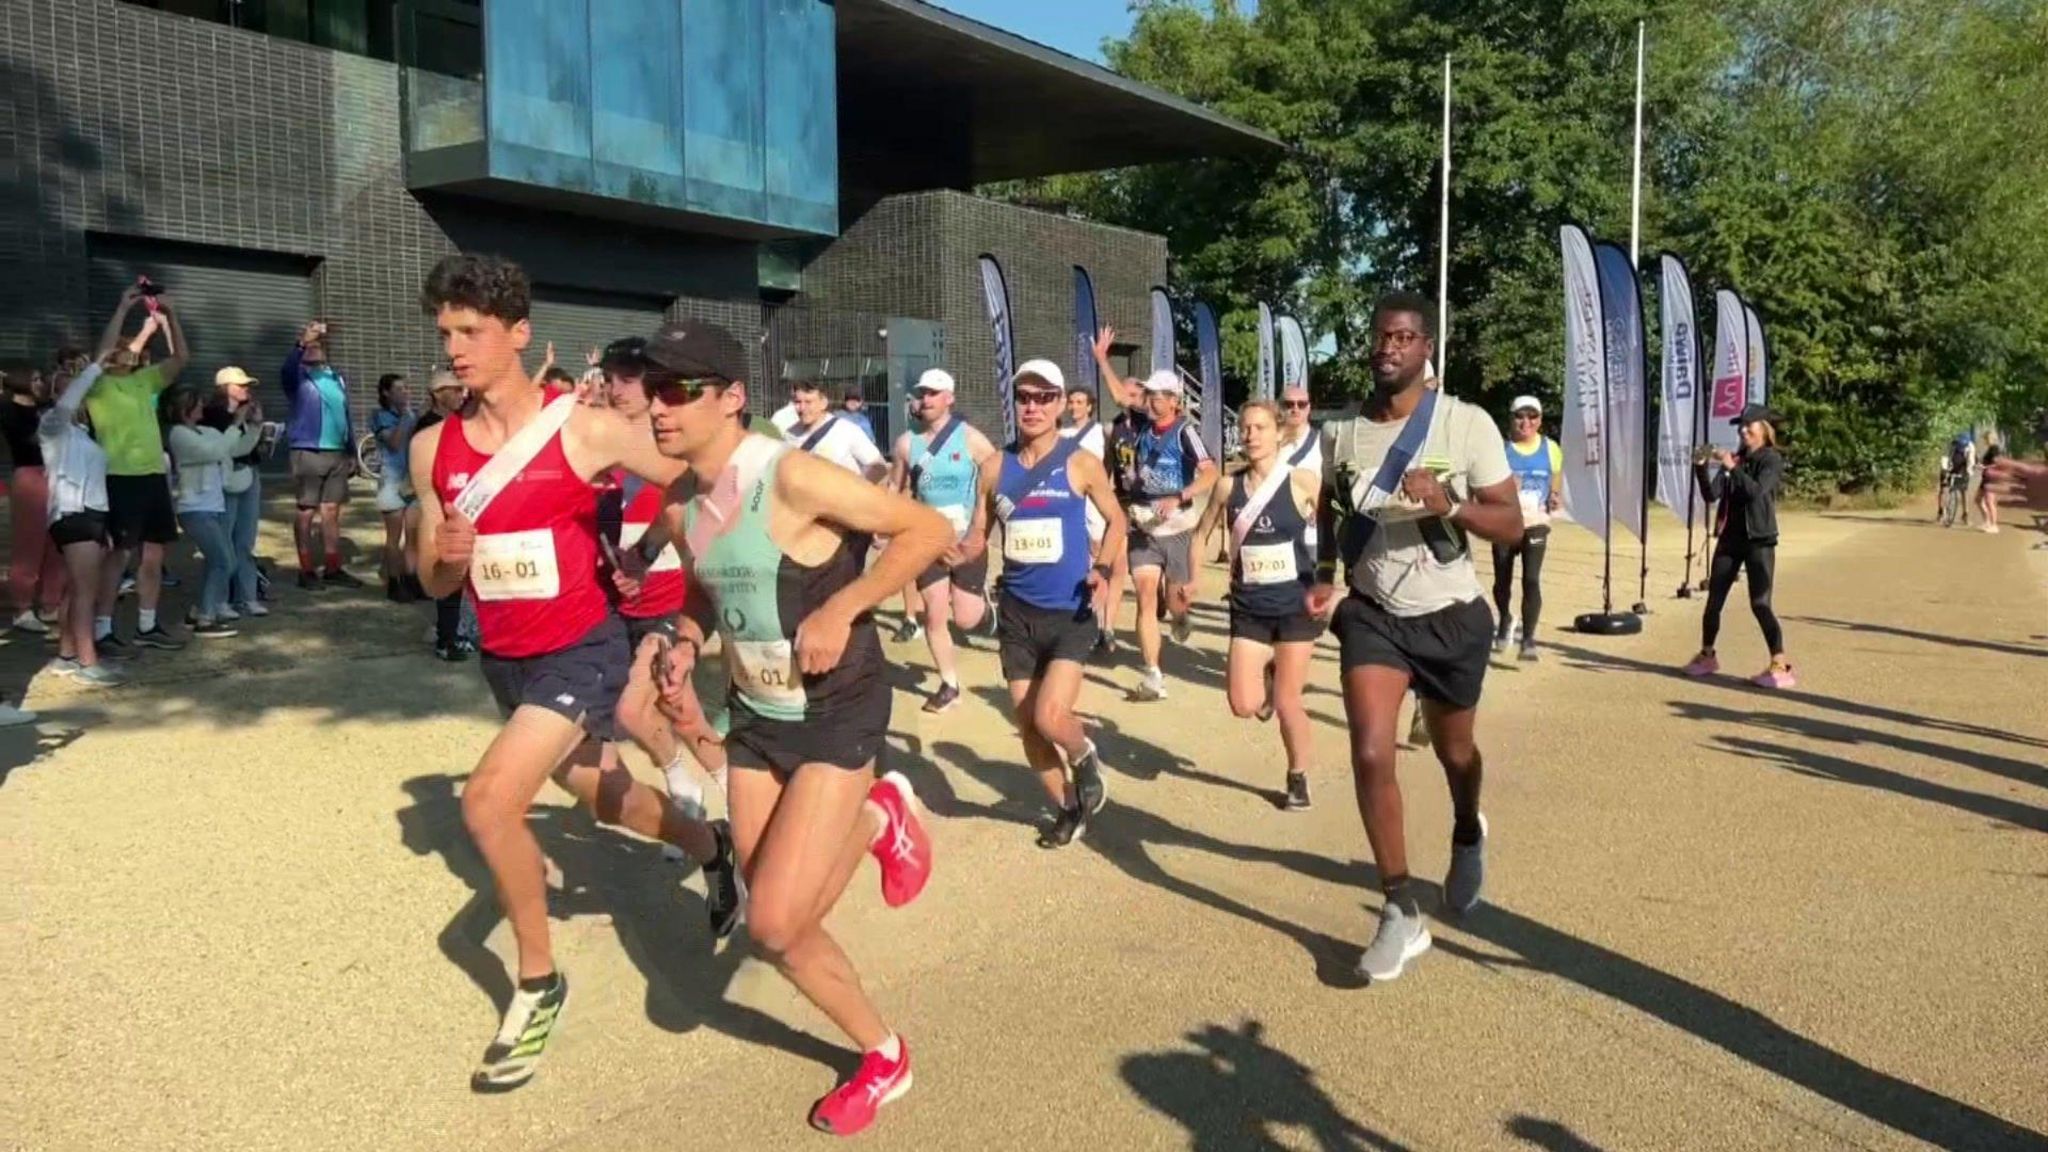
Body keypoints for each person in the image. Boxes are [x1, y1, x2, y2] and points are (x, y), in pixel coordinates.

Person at [407, 254, 739, 1093]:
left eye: (472, 332)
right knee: (602, 796)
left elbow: (699, 479)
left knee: (488, 800)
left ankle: (537, 982)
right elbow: (431, 580)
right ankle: (713, 844)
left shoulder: (580, 428)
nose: (455, 349)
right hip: (506, 658)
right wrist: (446, 561)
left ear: (519, 333)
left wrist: (668, 556)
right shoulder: (429, 450)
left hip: (583, 647)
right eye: (446, 333)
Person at [636, 318, 949, 1136]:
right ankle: (883, 816)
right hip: (757, 715)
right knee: (769, 905)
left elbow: (929, 531)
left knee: (774, 925)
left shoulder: (794, 476)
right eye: (652, 389)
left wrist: (844, 606)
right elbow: (703, 589)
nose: (659, 407)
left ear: (733, 398)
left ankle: (885, 1057)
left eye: (681, 390)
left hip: (837, 706)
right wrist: (686, 641)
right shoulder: (679, 502)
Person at [1308, 291, 1524, 983]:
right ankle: (1400, 906)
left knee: (1455, 753)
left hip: (1452, 616)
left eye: (1402, 337)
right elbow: (1323, 507)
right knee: (1372, 751)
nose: (1387, 347)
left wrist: (1451, 504)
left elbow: (1512, 524)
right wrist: (1322, 572)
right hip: (1373, 614)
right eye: (1379, 337)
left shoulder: (1466, 424)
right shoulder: (1340, 433)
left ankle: (1467, 829)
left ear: (1427, 347)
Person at [964, 358, 1127, 848]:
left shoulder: (1080, 462)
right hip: (1017, 614)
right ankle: (1067, 807)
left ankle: (1084, 756)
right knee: (1028, 727)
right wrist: (947, 556)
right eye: (1024, 398)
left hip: (1070, 611)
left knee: (1049, 716)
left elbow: (1117, 522)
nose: (1032, 407)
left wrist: (1101, 569)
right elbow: (978, 537)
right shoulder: (994, 466)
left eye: (1043, 398)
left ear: (1060, 404)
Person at [594, 336, 730, 822]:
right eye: (609, 379)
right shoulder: (605, 446)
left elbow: (688, 508)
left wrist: (646, 560)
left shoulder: (668, 444)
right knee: (681, 710)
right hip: (621, 604)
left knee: (634, 711)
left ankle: (690, 788)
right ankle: (723, 788)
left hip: (670, 601)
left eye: (627, 379)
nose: (616, 389)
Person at [1192, 402, 1320, 810]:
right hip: (1249, 607)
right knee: (1243, 705)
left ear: (1279, 433)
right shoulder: (1229, 487)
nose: (1251, 435)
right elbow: (1201, 533)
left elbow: (1337, 527)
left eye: (1260, 427)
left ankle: (1298, 775)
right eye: (1245, 428)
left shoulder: (1302, 482)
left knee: (1287, 702)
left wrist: (1331, 577)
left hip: (1295, 608)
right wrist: (1189, 579)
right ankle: (1266, 674)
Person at [887, 368, 998, 713]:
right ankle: (949, 684)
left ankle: (989, 610)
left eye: (933, 393)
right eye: (922, 393)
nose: (926, 399)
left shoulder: (970, 438)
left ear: (950, 398)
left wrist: (982, 529)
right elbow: (895, 489)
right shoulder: (907, 443)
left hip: (966, 542)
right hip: (927, 542)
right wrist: (885, 525)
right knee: (934, 614)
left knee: (965, 619)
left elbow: (994, 477)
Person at [88, 286, 189, 652]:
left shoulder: (143, 381)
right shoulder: (98, 386)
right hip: (119, 478)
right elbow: (103, 351)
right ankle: (102, 628)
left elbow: (180, 357)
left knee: (155, 554)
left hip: (152, 477)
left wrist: (171, 317)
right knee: (118, 555)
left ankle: (147, 626)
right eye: (124, 350)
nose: (131, 355)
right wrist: (122, 305)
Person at [1684, 404, 1793, 688]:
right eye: (1740, 426)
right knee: (1713, 601)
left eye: (1749, 425)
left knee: (1760, 603)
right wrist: (1700, 468)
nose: (1743, 430)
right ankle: (1707, 655)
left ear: (1764, 430)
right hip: (1730, 539)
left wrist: (1733, 468)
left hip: (1760, 540)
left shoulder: (1771, 460)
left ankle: (1779, 664)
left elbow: (1756, 493)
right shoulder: (1736, 459)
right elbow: (1711, 495)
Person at [38, 354, 125, 686]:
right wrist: (94, 368)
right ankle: (88, 662)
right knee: (86, 592)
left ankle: (67, 656)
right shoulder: (52, 426)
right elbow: (66, 404)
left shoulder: (83, 434)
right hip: (73, 515)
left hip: (92, 516)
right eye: (66, 389)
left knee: (76, 591)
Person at [167, 387, 260, 637]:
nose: (202, 408)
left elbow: (234, 449)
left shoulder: (206, 431)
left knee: (215, 562)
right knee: (224, 561)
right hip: (194, 509)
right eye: (197, 404)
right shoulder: (179, 435)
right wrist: (235, 422)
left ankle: (200, 610)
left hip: (214, 505)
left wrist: (254, 427)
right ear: (185, 408)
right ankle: (206, 618)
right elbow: (213, 452)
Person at [282, 321, 362, 590]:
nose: (315, 350)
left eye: (319, 346)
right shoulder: (299, 376)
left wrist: (351, 449)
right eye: (310, 347)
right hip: (309, 449)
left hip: (336, 452)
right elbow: (286, 370)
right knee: (306, 510)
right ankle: (305, 569)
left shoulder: (335, 377)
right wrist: (302, 342)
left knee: (331, 510)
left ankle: (332, 565)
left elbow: (344, 414)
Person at [410, 369, 474, 661]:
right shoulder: (428, 429)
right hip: (439, 507)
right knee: (448, 576)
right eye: (453, 389)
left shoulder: (457, 423)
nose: (460, 393)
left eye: (462, 388)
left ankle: (452, 633)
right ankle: (446, 639)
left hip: (459, 505)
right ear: (437, 394)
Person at [1492, 395, 1562, 660]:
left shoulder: (1550, 448)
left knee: (1531, 579)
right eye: (1520, 416)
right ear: (1511, 420)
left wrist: (1555, 495)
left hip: (1536, 523)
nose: (1526, 422)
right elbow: (1487, 488)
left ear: (1540, 420)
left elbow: (1555, 482)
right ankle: (1505, 618)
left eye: (1532, 417)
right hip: (1504, 523)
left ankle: (1529, 637)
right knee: (1502, 581)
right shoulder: (1501, 450)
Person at [202, 367, 272, 619]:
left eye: (246, 385)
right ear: (225, 388)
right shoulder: (211, 415)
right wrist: (241, 421)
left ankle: (247, 596)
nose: (246, 390)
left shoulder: (247, 413)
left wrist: (255, 425)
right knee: (224, 539)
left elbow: (248, 447)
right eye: (240, 385)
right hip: (226, 479)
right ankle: (219, 600)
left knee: (245, 539)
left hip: (249, 474)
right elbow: (226, 449)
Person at [5, 361, 65, 633]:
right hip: (29, 475)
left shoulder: (45, 409)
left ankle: (50, 602)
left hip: (53, 474)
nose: (40, 383)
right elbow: (28, 439)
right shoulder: (8, 409)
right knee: (29, 544)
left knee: (56, 542)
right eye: (36, 378)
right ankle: (22, 607)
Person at [372, 374, 421, 601]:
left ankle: (412, 579)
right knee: (394, 537)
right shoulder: (380, 416)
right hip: (391, 479)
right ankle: (394, 583)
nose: (405, 393)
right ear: (386, 393)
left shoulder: (414, 415)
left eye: (406, 388)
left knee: (413, 535)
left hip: (411, 481)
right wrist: (403, 418)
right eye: (399, 389)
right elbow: (394, 443)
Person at [784, 379, 886, 483]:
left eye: (808, 402)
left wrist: (857, 490)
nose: (802, 408)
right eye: (797, 402)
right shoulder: (789, 434)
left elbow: (879, 466)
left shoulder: (846, 430)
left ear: (823, 403)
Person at [1938, 433, 1974, 527]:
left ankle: (1965, 515)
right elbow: (1944, 460)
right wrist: (1945, 473)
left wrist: (1967, 473)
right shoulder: (1950, 447)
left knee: (1964, 490)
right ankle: (1941, 512)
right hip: (1949, 466)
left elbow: (1970, 462)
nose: (1961, 447)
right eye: (1960, 445)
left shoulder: (1970, 447)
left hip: (1962, 467)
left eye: (1963, 446)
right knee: (1943, 489)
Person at [1975, 433, 2004, 534]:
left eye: (1986, 439)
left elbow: (1997, 464)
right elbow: (1987, 463)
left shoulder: (1995, 449)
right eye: (1985, 439)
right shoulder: (1990, 449)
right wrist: (1981, 465)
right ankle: (1987, 521)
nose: (1985, 441)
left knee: (1989, 502)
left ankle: (1994, 525)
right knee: (1978, 499)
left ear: (1991, 439)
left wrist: (1985, 467)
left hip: (1992, 478)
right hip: (1986, 477)